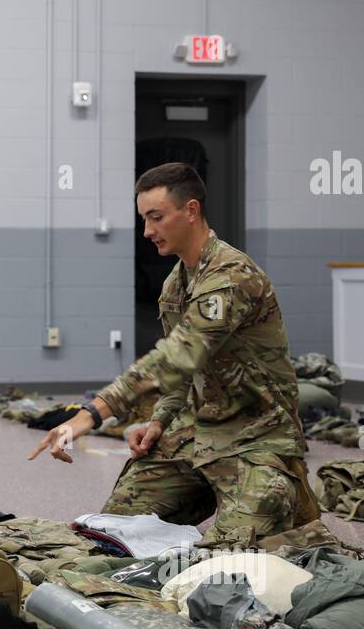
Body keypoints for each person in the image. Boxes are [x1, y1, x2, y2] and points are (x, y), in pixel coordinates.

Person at [29, 162, 319, 547]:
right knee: (113, 531)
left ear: (191, 211)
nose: (147, 232)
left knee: (233, 559)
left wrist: (92, 414)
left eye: (156, 218)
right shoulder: (175, 286)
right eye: (144, 220)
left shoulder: (231, 276)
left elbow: (176, 356)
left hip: (257, 439)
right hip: (198, 433)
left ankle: (268, 499)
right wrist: (161, 421)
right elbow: (183, 377)